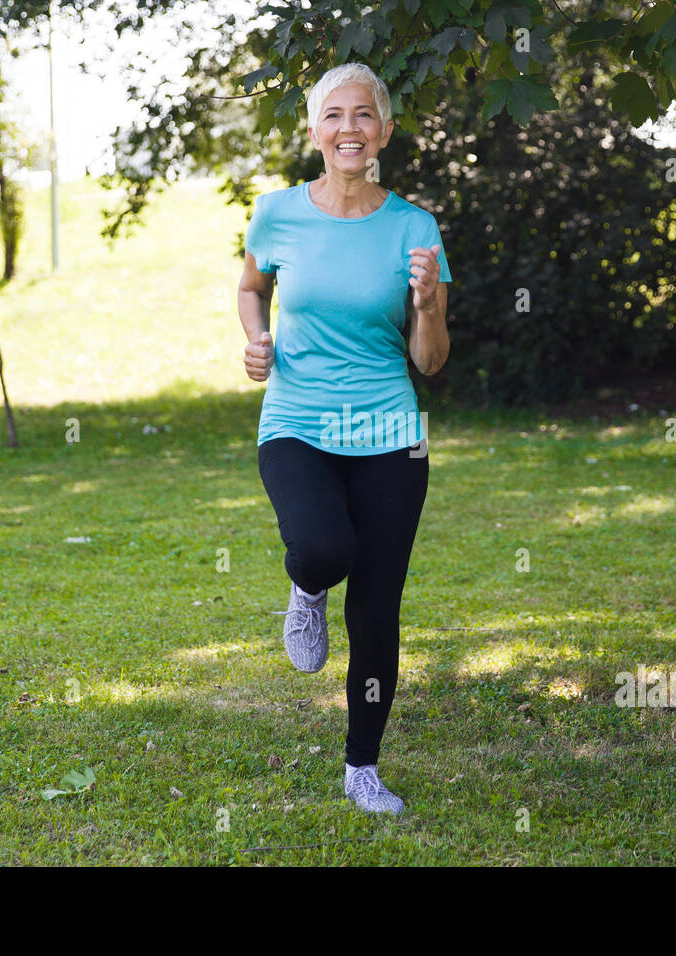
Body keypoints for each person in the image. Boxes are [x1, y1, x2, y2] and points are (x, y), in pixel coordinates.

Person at [236, 62, 452, 815]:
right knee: (326, 551)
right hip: (297, 420)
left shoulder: (414, 228)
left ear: (385, 131)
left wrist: (426, 305)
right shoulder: (276, 214)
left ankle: (363, 766)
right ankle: (305, 589)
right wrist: (257, 341)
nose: (349, 129)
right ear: (314, 131)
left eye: (364, 116)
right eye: (334, 115)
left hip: (391, 430)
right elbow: (249, 288)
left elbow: (430, 361)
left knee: (378, 608)